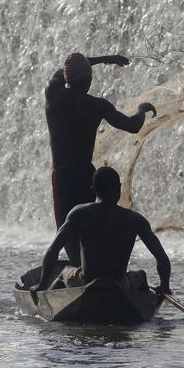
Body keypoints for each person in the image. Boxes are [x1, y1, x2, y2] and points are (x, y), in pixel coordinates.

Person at [45, 52, 156, 266]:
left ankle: (81, 272)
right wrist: (142, 109)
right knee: (88, 226)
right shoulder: (96, 106)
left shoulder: (53, 94)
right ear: (89, 79)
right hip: (86, 176)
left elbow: (63, 71)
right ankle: (94, 271)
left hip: (62, 176)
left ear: (67, 79)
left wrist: (103, 59)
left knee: (68, 230)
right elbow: (132, 126)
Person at [39, 166, 171, 295]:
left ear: (94, 190)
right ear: (119, 188)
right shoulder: (135, 219)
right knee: (141, 275)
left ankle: (45, 296)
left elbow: (53, 250)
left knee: (65, 272)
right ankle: (140, 305)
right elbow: (161, 258)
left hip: (87, 282)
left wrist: (41, 284)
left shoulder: (79, 213)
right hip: (118, 283)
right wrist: (165, 286)